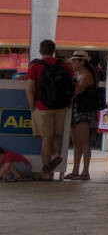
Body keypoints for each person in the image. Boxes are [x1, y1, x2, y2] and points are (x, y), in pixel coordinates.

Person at [24, 39, 75, 178]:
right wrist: (69, 101)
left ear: (40, 51)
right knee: (56, 134)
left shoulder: (35, 66)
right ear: (53, 50)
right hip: (61, 106)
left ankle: (47, 172)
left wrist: (32, 106)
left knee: (46, 137)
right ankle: (56, 154)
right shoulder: (63, 64)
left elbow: (29, 88)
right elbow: (72, 84)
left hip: (43, 106)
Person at [66, 50, 100, 180]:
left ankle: (85, 172)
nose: (73, 63)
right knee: (76, 142)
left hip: (83, 110)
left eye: (75, 60)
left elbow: (77, 91)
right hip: (76, 109)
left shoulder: (86, 75)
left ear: (82, 62)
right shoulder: (77, 74)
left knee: (84, 141)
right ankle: (75, 170)